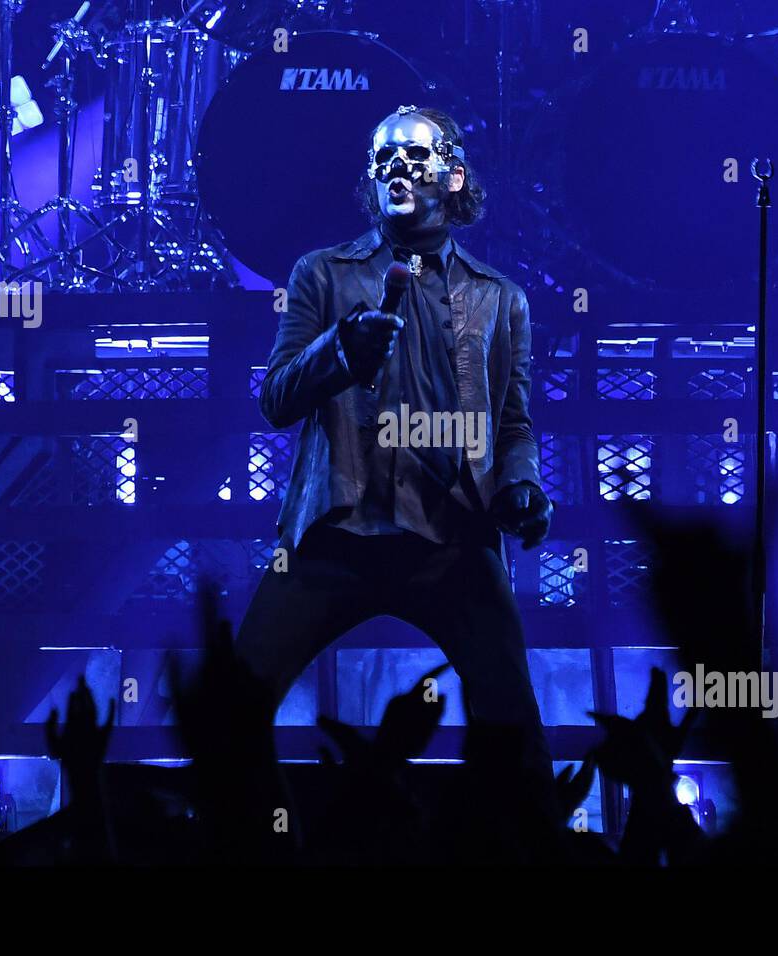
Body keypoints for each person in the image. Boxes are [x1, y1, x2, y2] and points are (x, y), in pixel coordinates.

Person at [236, 105, 554, 774]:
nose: (394, 172)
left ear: (455, 177)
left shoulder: (501, 299)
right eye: (382, 161)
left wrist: (521, 485)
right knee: (232, 707)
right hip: (333, 537)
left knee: (513, 724)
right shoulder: (321, 274)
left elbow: (514, 424)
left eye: (412, 158)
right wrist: (338, 352)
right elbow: (275, 400)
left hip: (451, 540)